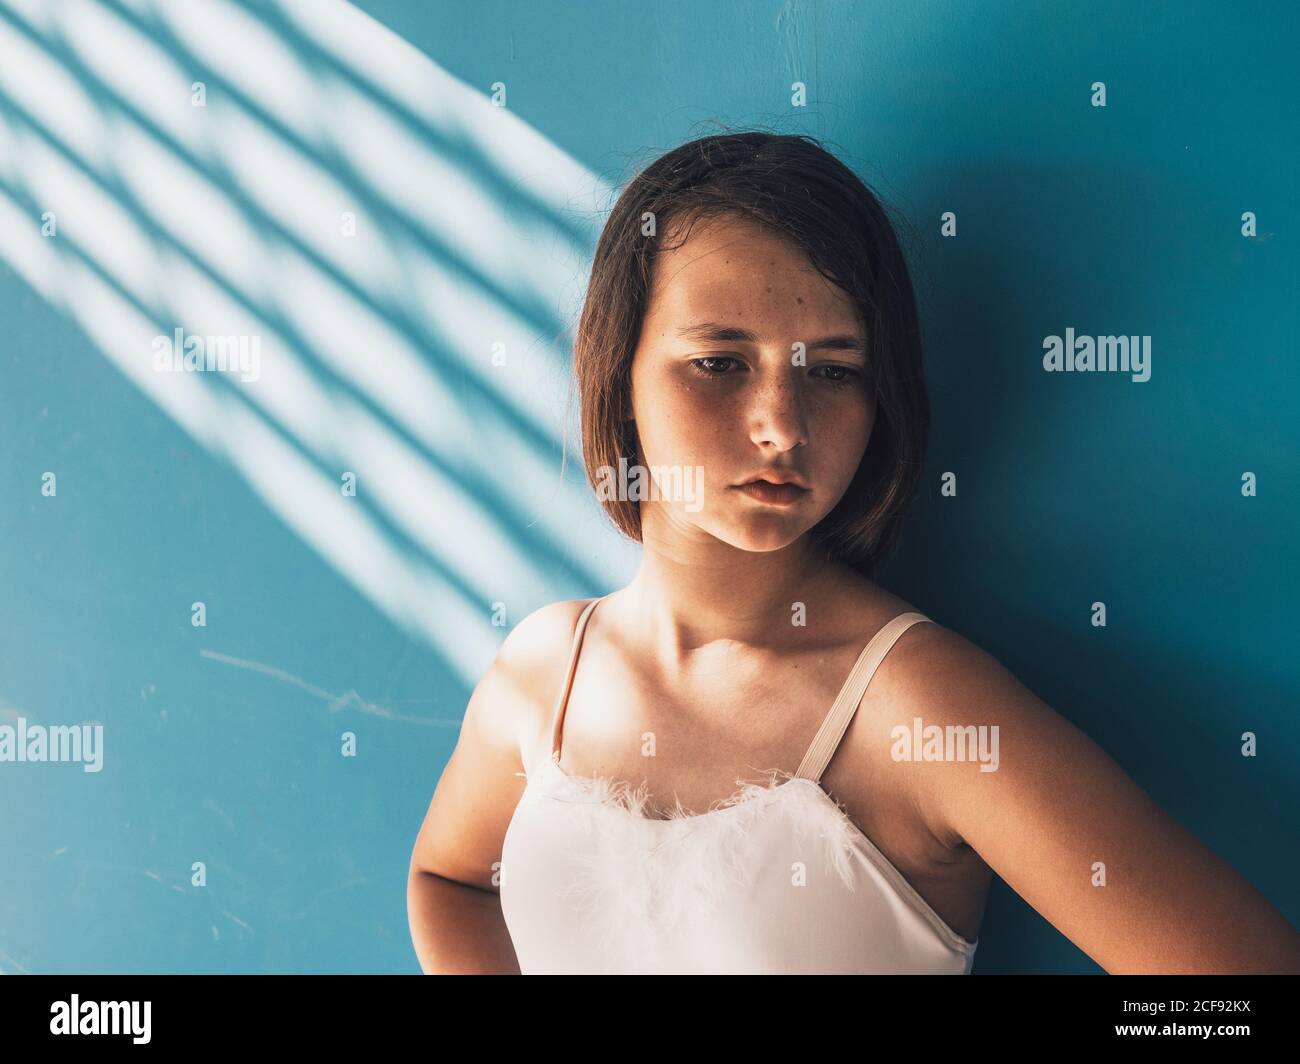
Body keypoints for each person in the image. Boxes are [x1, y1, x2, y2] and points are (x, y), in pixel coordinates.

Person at [407, 131, 1300, 974]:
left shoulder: (919, 707)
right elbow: (448, 882)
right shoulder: (545, 672)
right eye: (720, 362)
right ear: (617, 371)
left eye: (833, 370)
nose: (782, 426)